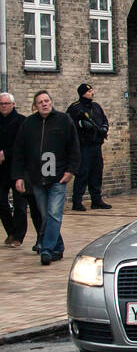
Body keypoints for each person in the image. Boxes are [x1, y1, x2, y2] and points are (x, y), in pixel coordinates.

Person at [10, 90, 80, 265]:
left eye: (47, 100)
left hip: (58, 177)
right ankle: (58, 247)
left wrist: (71, 170)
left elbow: (74, 147)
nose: (44, 104)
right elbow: (19, 152)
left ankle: (47, 249)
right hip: (37, 178)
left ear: (51, 102)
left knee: (54, 214)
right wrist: (18, 176)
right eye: (40, 102)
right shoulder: (28, 124)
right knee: (45, 215)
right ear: (35, 106)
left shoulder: (64, 121)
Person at [67, 83, 111, 211]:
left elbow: (104, 120)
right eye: (89, 91)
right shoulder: (75, 108)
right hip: (83, 146)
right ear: (83, 93)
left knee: (96, 173)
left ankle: (96, 200)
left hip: (96, 144)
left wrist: (104, 128)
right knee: (83, 173)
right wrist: (80, 123)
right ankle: (77, 201)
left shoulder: (96, 106)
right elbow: (68, 123)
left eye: (92, 90)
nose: (92, 92)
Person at [0, 91, 30, 249]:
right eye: (1, 104)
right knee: (1, 203)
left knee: (19, 204)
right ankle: (10, 231)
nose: (3, 106)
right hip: (1, 171)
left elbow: (22, 146)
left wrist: (6, 153)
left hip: (17, 169)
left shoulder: (21, 122)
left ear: (12, 104)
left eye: (6, 103)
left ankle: (18, 236)